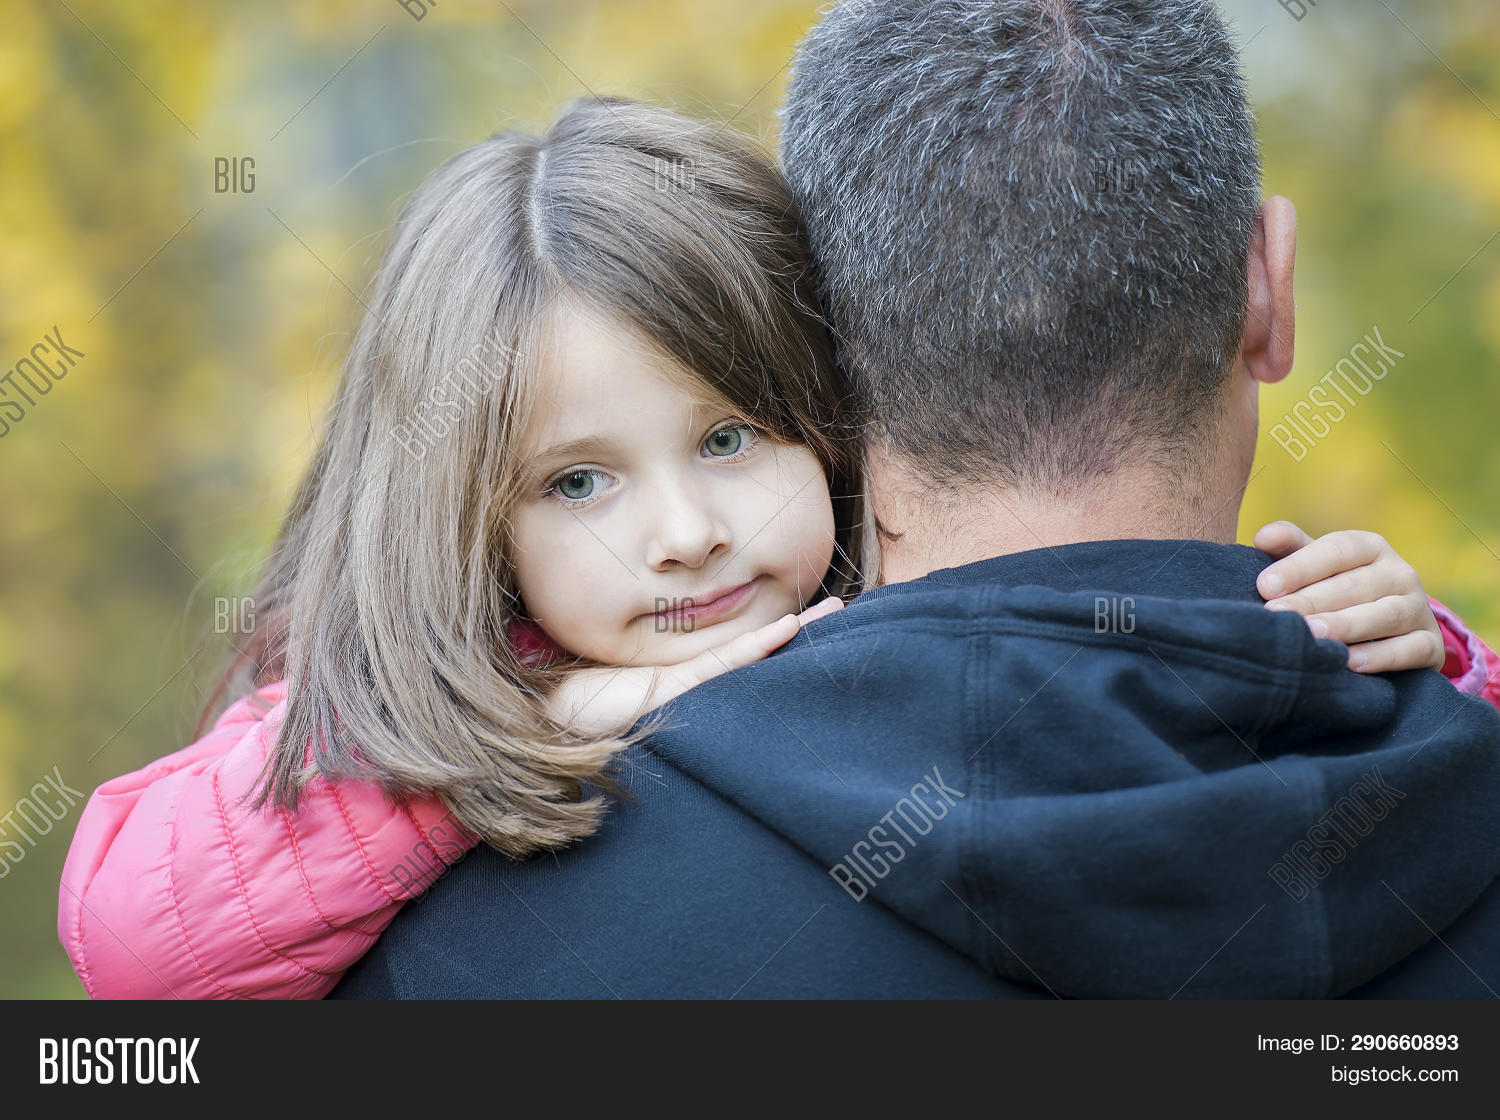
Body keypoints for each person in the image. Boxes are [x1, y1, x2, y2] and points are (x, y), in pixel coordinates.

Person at [56, 90, 1486, 999]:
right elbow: (137, 942)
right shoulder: (463, 698)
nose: (682, 536)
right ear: (465, 525)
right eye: (575, 484)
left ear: (841, 413)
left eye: (732, 439)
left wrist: (1421, 647)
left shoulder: (916, 615)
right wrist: (519, 734)